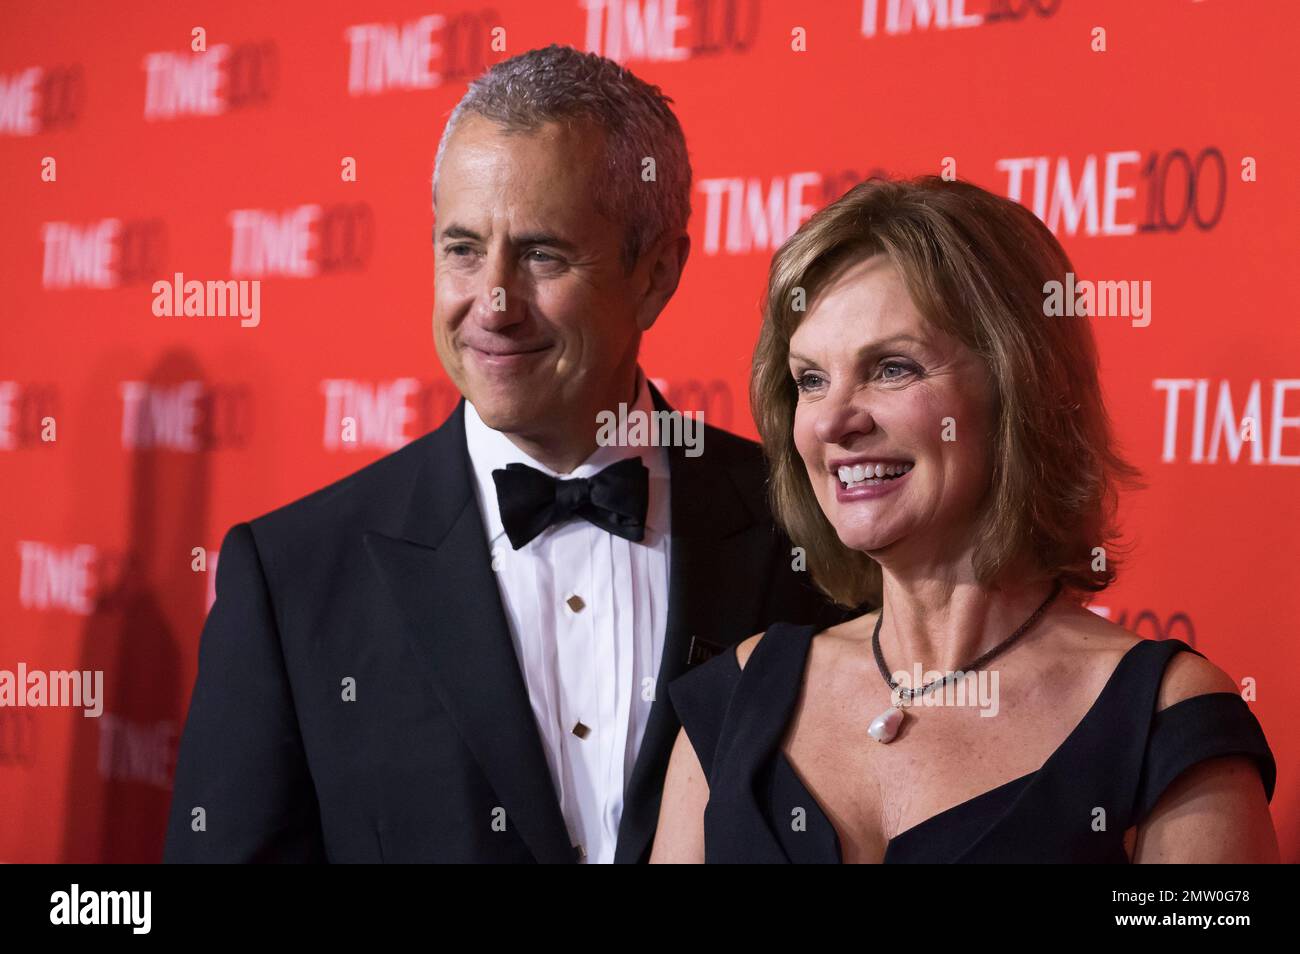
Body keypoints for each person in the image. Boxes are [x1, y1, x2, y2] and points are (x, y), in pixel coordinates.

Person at [163, 45, 843, 865]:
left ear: (657, 274)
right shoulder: (293, 577)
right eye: (461, 249)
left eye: (541, 254)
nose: (492, 304)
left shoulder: (806, 526)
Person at [651, 176, 1279, 863]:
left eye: (891, 368)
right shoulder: (733, 703)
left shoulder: (1162, 723)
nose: (833, 420)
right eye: (810, 380)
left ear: (1020, 388)